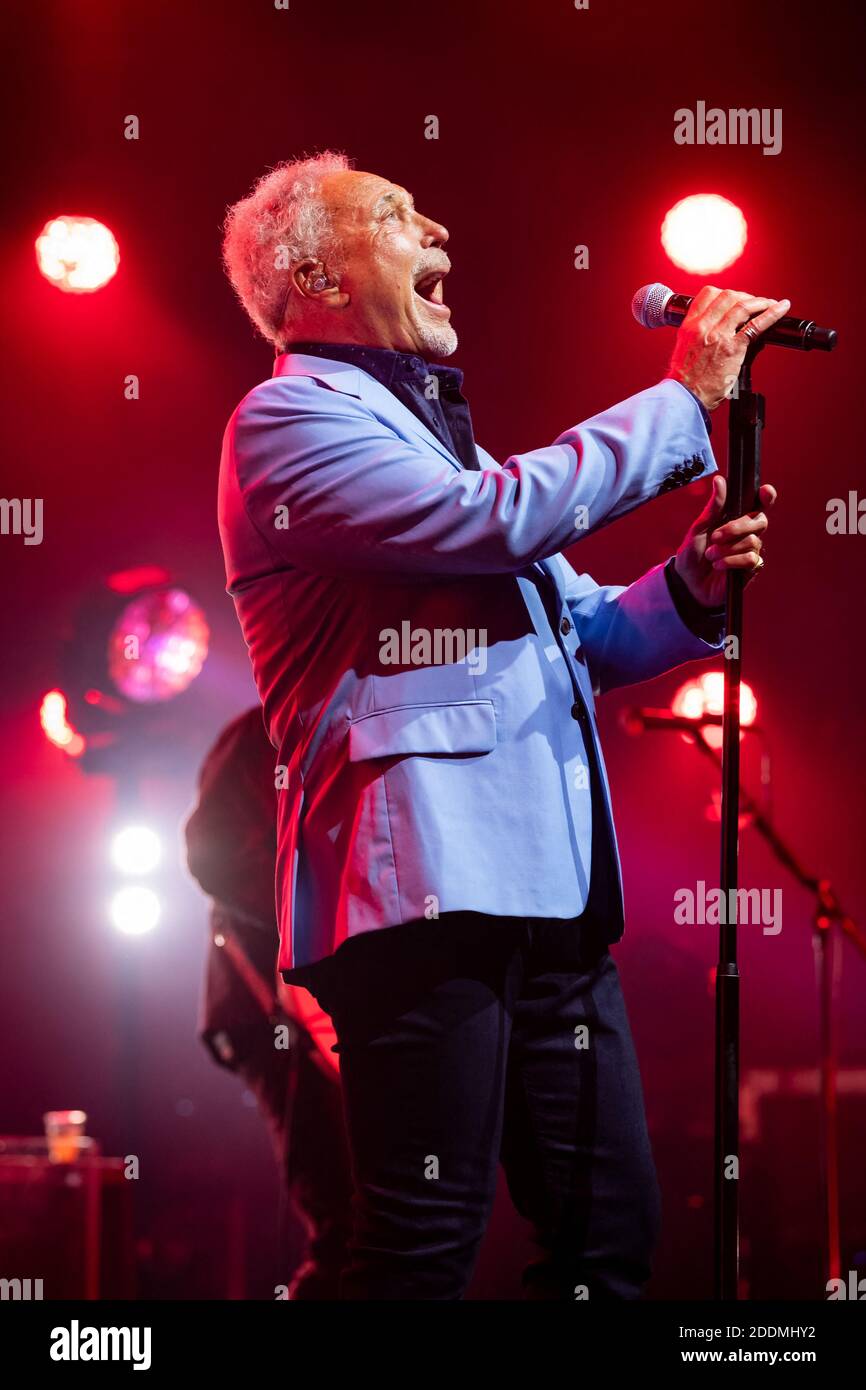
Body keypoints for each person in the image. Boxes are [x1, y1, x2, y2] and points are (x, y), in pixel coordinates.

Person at [217, 152, 785, 1299]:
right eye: (394, 216)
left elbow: (590, 634)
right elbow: (491, 521)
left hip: (553, 898)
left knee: (607, 1242)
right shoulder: (284, 419)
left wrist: (691, 585)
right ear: (315, 272)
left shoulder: (444, 449)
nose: (436, 227)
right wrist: (683, 400)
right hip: (423, 887)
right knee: (418, 1244)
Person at [184, 707, 352, 1299]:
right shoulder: (268, 727)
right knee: (347, 1222)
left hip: (322, 1014)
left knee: (375, 1219)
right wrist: (311, 920)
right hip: (268, 1009)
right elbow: (212, 851)